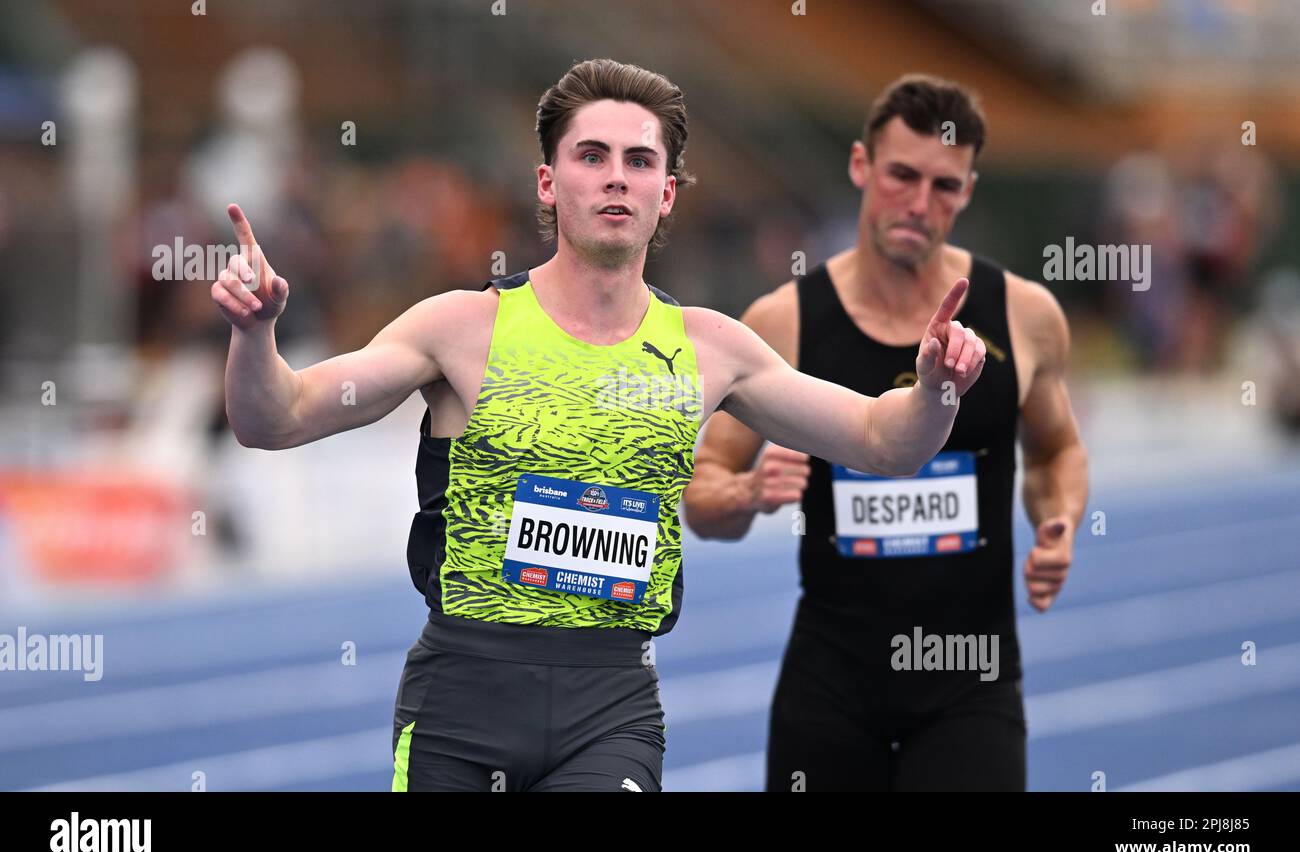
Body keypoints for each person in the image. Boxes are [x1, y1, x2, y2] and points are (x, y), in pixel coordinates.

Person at [211, 60, 987, 792]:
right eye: (592, 155)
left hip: (610, 708)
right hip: (459, 703)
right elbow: (275, 418)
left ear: (668, 192)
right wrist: (255, 334)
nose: (617, 174)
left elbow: (887, 443)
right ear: (549, 184)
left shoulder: (712, 351)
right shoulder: (458, 329)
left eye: (640, 160)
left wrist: (937, 391)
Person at [682, 74, 1090, 792]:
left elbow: (1056, 449)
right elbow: (701, 494)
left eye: (945, 185)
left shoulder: (1024, 315)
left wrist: (1058, 519)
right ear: (860, 166)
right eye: (902, 175)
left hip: (971, 680)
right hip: (832, 683)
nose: (919, 203)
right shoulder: (785, 321)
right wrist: (745, 493)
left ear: (968, 191)